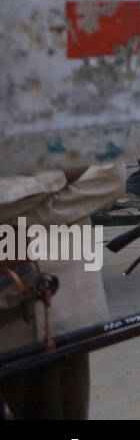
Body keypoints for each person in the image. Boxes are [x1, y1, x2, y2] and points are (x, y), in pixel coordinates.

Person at [1, 162, 124, 418]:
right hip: (8, 317)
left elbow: (111, 175)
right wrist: (66, 173)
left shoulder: (70, 122)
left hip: (68, 304)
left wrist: (19, 219)